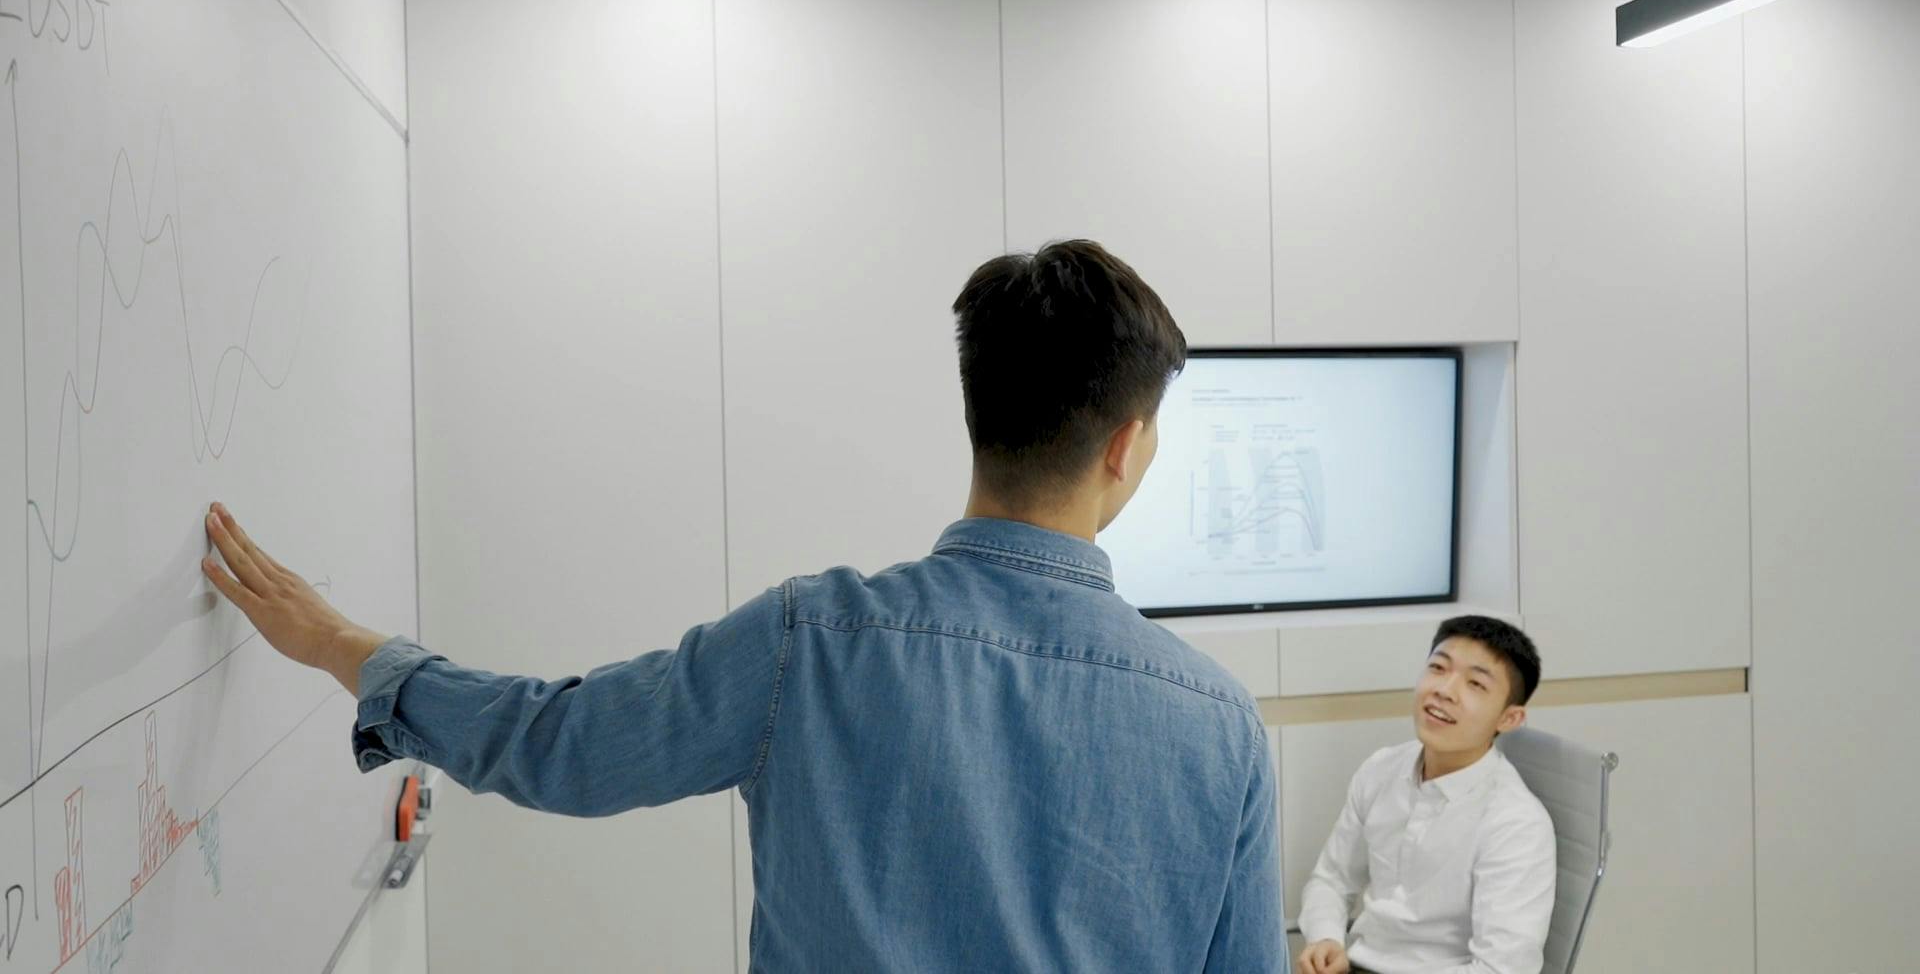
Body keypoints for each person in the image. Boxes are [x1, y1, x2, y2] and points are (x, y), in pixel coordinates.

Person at [201, 239, 1285, 972]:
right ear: (1125, 444)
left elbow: (559, 745)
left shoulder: (811, 643)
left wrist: (350, 649)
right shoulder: (1221, 723)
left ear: (976, 408)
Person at [1294, 616, 1554, 974]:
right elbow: (1332, 879)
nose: (1445, 690)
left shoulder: (1516, 823)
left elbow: (1502, 969)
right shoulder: (1381, 769)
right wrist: (1326, 938)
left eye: (1475, 683)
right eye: (1438, 667)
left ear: (1509, 718)